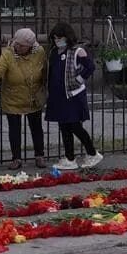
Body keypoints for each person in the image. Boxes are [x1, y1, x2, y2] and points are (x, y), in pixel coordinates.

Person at [0, 28, 48, 170]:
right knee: (14, 129)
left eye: (22, 45)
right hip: (12, 97)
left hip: (33, 97)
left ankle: (39, 156)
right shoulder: (8, 54)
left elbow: (46, 70)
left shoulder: (40, 52)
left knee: (36, 127)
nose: (18, 47)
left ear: (30, 46)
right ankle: (16, 158)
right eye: (16, 43)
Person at [45, 21, 102, 171]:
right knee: (64, 127)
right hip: (58, 96)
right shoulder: (53, 53)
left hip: (73, 95)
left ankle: (92, 153)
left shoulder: (77, 51)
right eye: (55, 38)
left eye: (60, 38)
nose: (58, 41)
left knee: (75, 126)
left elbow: (90, 67)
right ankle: (70, 158)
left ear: (67, 37)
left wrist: (79, 79)